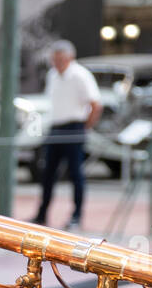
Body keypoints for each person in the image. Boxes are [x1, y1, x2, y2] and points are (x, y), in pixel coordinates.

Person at [32, 40, 101, 231]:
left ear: (70, 58)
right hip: (56, 127)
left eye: (61, 59)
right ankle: (42, 213)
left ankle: (77, 215)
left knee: (76, 174)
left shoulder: (80, 75)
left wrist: (85, 127)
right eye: (55, 59)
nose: (57, 63)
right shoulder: (52, 75)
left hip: (74, 127)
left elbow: (96, 104)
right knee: (47, 172)